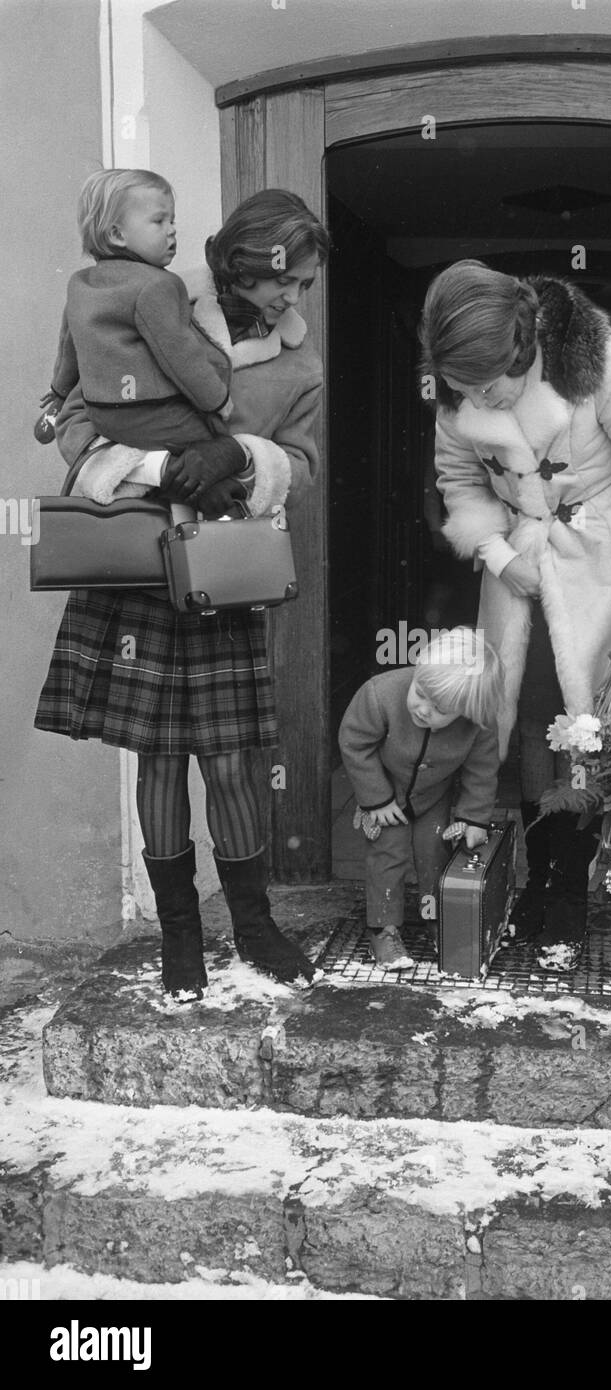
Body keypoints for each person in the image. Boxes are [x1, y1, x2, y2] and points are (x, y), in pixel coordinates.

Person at [35, 189, 330, 999]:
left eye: (303, 287)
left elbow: (299, 467)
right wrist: (155, 468)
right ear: (240, 262)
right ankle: (180, 936)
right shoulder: (146, 293)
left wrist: (243, 459)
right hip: (134, 564)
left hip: (221, 572)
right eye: (286, 281)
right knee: (156, 758)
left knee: (233, 763)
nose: (292, 299)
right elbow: (71, 418)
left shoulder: (301, 366)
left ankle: (255, 923)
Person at [419, 260, 611, 969]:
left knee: (591, 736)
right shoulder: (461, 391)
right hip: (518, 578)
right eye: (464, 391)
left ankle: (569, 896)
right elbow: (457, 480)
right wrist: (493, 550)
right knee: (515, 731)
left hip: (602, 574)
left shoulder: (600, 365)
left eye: (489, 387)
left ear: (524, 350)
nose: (474, 400)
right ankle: (529, 882)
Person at [38, 169, 234, 458]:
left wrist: (59, 391)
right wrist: (217, 401)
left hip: (101, 414)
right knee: (216, 447)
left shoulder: (80, 283)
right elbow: (180, 355)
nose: (172, 229)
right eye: (159, 221)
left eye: (172, 220)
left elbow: (70, 346)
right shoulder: (158, 285)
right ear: (117, 234)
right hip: (150, 414)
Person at [338, 627, 502, 969]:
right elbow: (355, 743)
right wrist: (376, 799)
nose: (424, 709)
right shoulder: (380, 694)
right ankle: (383, 929)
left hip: (433, 798)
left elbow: (481, 769)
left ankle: (437, 919)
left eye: (439, 708)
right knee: (388, 854)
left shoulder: (479, 723)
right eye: (421, 692)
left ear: (466, 711)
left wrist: (473, 817)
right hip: (387, 797)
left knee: (434, 854)